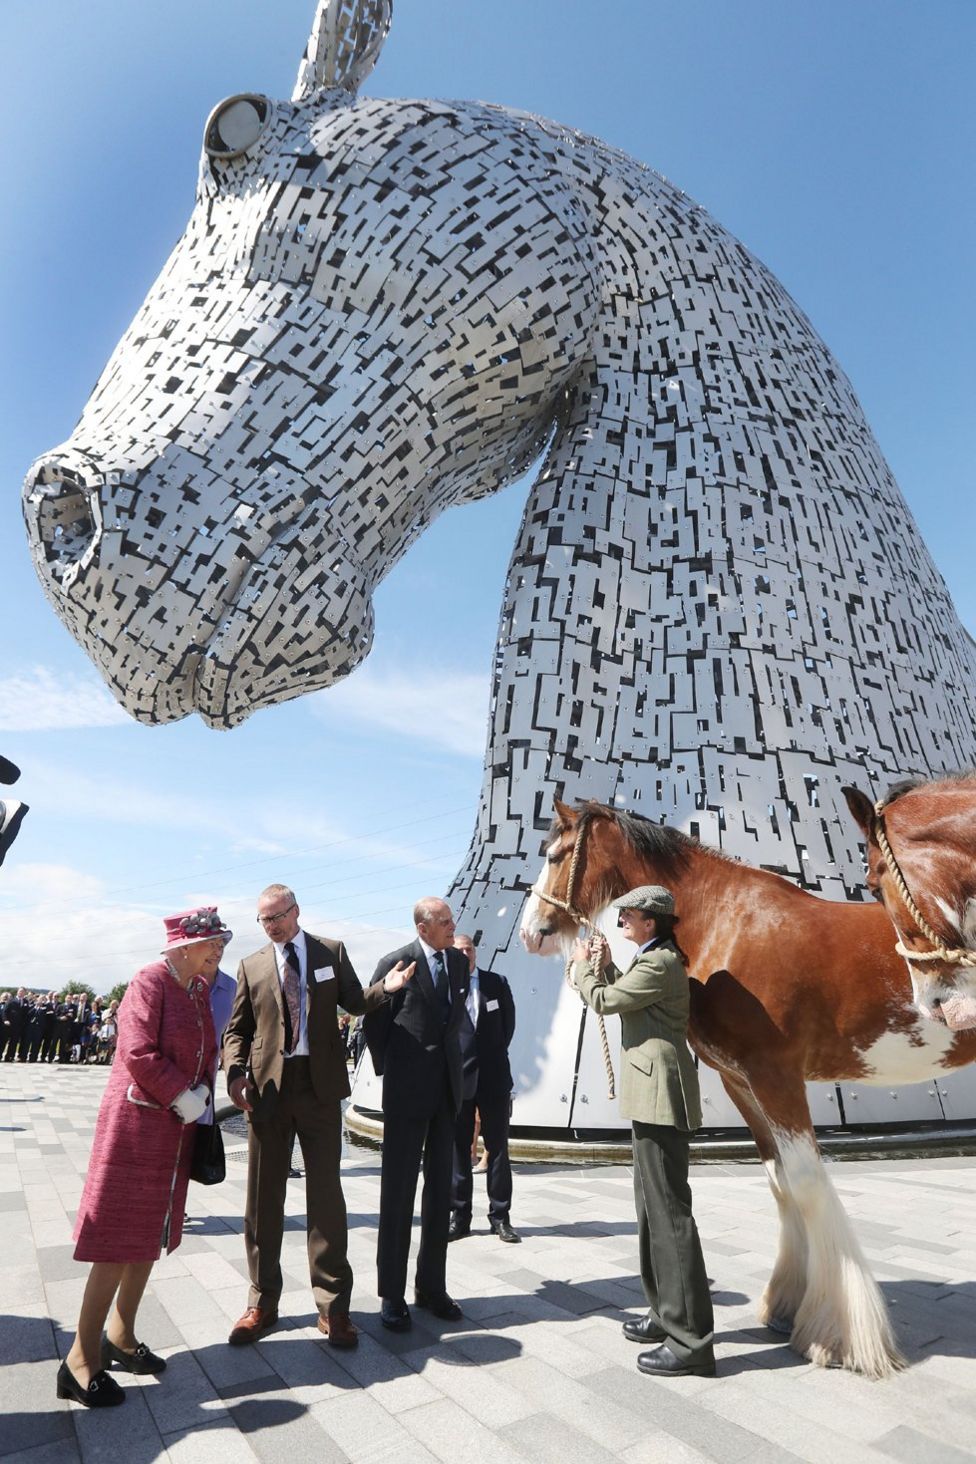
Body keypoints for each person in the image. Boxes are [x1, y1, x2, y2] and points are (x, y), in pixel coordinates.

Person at [223, 883, 408, 1350]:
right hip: (267, 1092)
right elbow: (236, 1031)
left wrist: (385, 988)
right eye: (264, 920)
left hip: (321, 1090)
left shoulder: (330, 952)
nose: (272, 926)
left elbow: (354, 1001)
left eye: (278, 917)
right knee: (263, 1201)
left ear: (296, 911)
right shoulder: (252, 965)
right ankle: (261, 1303)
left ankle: (334, 1308)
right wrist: (234, 1074)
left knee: (326, 1199)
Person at [58, 907, 226, 1409]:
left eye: (222, 939)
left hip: (173, 1131)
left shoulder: (195, 989)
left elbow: (206, 1051)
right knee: (115, 1240)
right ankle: (80, 1360)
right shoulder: (150, 980)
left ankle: (121, 1338)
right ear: (180, 946)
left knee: (149, 1236)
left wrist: (201, 1092)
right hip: (136, 1128)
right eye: (211, 941)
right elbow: (136, 1051)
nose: (219, 948)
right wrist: (182, 1094)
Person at [571, 885, 715, 1379]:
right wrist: (607, 966)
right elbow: (633, 1000)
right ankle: (664, 1314)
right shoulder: (653, 959)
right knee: (651, 1213)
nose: (622, 924)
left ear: (650, 922)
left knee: (670, 1216)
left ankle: (691, 1341)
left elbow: (608, 1001)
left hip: (659, 1101)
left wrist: (583, 970)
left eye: (627, 917)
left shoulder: (659, 963)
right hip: (649, 1099)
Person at [365, 897, 468, 1332]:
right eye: (443, 922)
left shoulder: (459, 965)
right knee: (398, 1194)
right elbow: (373, 1021)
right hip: (407, 1096)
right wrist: (394, 1067)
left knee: (439, 1193)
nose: (451, 926)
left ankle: (431, 1286)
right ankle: (392, 1294)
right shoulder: (396, 962)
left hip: (447, 1095)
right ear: (422, 928)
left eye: (451, 920)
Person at [448, 933, 519, 1243]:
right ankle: (459, 1216)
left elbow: (508, 1027)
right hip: (458, 1080)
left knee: (499, 1148)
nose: (465, 954)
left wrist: (490, 1055)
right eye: (459, 950)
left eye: (469, 949)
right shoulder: (445, 987)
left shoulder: (497, 983)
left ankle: (500, 1217)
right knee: (458, 1150)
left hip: (494, 1078)